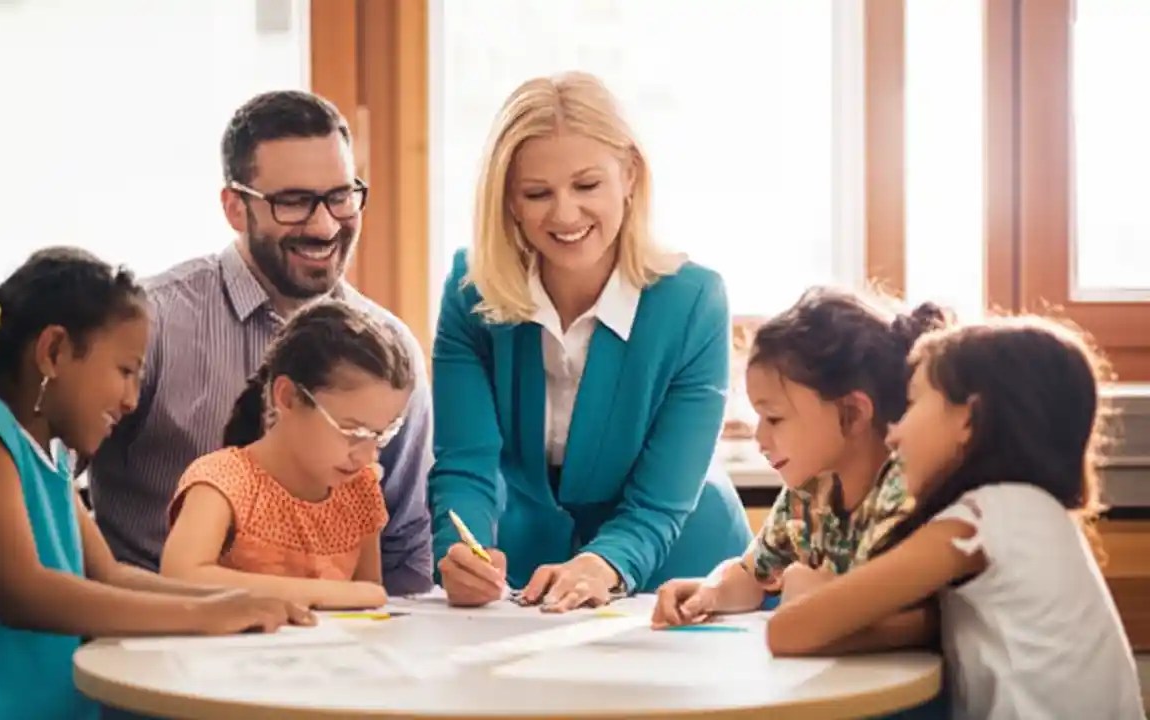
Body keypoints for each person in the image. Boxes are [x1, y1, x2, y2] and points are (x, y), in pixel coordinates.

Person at [0, 248, 311, 720]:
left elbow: (111, 574)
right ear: (54, 352)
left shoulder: (56, 457)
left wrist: (235, 602)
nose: (131, 400)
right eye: (126, 372)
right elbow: (24, 594)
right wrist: (205, 618)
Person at [86, 90, 434, 595]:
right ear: (234, 207)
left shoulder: (389, 352)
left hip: (331, 652)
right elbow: (48, 483)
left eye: (339, 197)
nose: (323, 225)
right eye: (293, 203)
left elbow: (403, 542)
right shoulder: (152, 320)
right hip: (164, 639)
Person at [428, 71, 752, 613]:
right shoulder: (471, 290)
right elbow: (465, 462)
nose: (565, 214)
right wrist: (461, 549)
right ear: (508, 200)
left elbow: (660, 499)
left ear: (628, 175)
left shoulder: (696, 301)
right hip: (530, 574)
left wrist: (605, 563)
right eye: (537, 193)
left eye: (586, 185)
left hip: (680, 566)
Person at [765, 317, 1143, 718]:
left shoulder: (983, 517)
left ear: (968, 419)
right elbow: (928, 626)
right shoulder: (1030, 512)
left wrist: (802, 585)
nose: (894, 433)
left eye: (912, 403)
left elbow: (786, 631)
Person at [653, 287, 948, 631]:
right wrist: (711, 591)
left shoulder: (907, 488)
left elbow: (920, 620)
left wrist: (813, 596)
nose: (759, 438)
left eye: (774, 418)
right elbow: (753, 575)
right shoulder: (809, 492)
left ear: (852, 414)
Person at [160, 300, 416, 610]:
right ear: (289, 398)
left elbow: (365, 606)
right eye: (353, 432)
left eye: (381, 435)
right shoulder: (223, 481)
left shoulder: (359, 491)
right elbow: (180, 578)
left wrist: (360, 596)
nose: (366, 456)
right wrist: (332, 593)